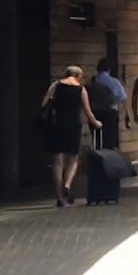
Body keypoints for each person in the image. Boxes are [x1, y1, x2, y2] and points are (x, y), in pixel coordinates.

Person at [40, 66, 102, 207]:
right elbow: (88, 111)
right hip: (73, 126)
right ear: (78, 76)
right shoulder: (81, 89)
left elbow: (44, 104)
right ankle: (67, 185)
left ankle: (59, 197)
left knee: (57, 162)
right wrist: (96, 123)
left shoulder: (56, 85)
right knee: (73, 159)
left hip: (56, 126)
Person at [87, 58, 128, 150]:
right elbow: (122, 98)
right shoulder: (114, 82)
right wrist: (126, 114)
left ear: (98, 69)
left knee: (97, 138)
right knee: (110, 139)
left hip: (95, 113)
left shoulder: (92, 81)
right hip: (110, 113)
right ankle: (109, 159)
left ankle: (98, 157)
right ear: (109, 69)